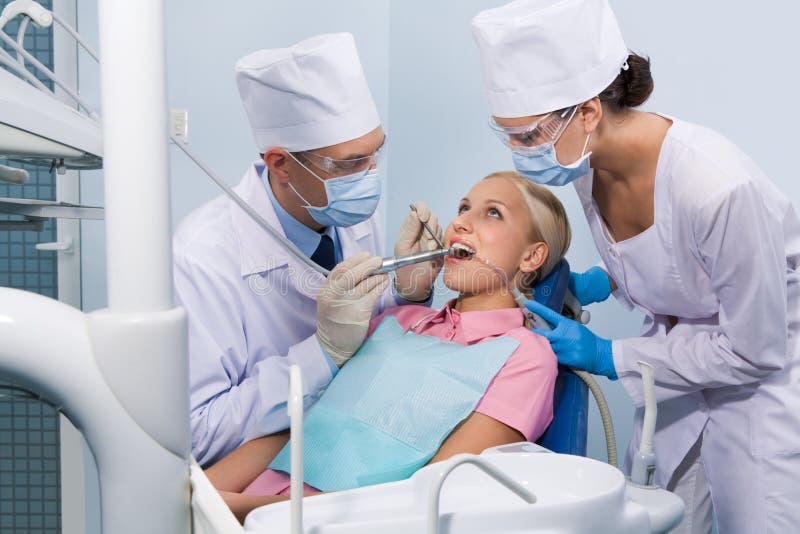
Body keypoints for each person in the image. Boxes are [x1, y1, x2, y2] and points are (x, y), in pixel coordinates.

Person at [471, 1, 800, 533]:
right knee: (655, 517)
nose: (519, 154)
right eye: (506, 135)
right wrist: (602, 281)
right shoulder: (583, 162)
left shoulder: (717, 187)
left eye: (528, 136)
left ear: (587, 112)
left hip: (760, 380)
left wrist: (609, 354)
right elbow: (674, 257)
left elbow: (753, 347)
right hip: (674, 373)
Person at [203, 171, 569, 522]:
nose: (460, 223)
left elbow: (435, 489)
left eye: (492, 213)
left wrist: (244, 508)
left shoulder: (525, 356)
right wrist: (197, 492)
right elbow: (298, 428)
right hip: (248, 507)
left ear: (531, 257)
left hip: (327, 522)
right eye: (462, 208)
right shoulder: (398, 320)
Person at [173, 33, 442, 467]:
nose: (370, 176)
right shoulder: (201, 256)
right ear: (281, 164)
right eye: (352, 163)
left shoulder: (347, 207)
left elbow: (359, 326)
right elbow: (197, 435)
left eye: (376, 153)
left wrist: (404, 295)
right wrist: (321, 354)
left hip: (342, 449)